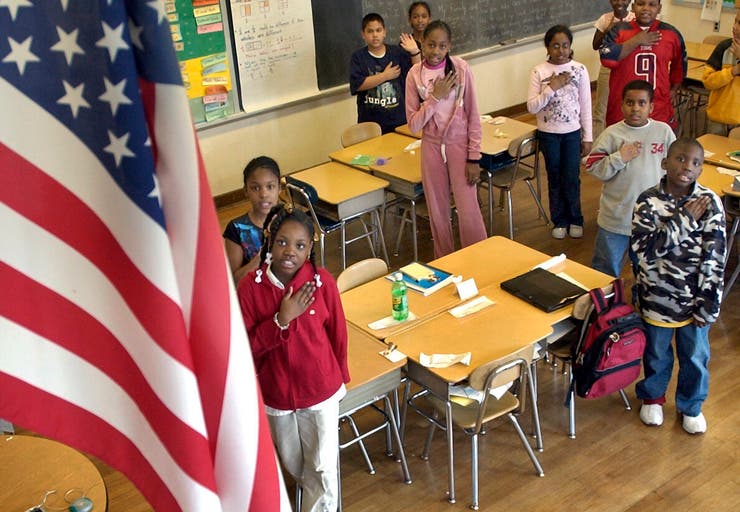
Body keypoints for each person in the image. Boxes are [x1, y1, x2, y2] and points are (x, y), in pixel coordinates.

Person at [238, 205, 349, 512]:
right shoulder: (251, 288)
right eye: (283, 242)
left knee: (324, 468)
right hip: (277, 397)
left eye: (300, 245)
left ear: (310, 248)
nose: (290, 252)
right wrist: (280, 321)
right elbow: (245, 348)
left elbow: (338, 334)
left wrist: (340, 378)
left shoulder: (322, 283)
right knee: (296, 465)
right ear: (271, 243)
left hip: (321, 390)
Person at [631, 138, 726, 434]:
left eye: (696, 163)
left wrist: (708, 303)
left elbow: (715, 257)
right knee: (657, 352)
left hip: (696, 300)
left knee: (696, 357)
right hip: (656, 298)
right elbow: (644, 250)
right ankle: (653, 397)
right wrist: (684, 220)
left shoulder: (710, 203)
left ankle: (691, 405)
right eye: (681, 159)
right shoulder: (647, 201)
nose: (687, 167)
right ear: (665, 162)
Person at [405, 20, 487, 258]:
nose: (435, 51)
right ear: (422, 43)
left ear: (449, 46)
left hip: (459, 145)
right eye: (431, 45)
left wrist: (474, 157)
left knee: (467, 206)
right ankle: (446, 260)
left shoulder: (461, 69)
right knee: (437, 209)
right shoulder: (414, 75)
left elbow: (473, 114)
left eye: (441, 46)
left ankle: (480, 256)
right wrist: (434, 98)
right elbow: (413, 125)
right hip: (431, 146)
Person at [585, 80, 675, 277]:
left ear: (651, 107)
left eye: (641, 103)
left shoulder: (663, 132)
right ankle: (604, 305)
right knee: (604, 270)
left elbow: (675, 167)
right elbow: (592, 167)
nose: (635, 108)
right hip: (616, 218)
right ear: (621, 105)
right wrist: (620, 157)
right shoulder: (612, 134)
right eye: (630, 102)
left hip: (651, 220)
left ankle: (640, 303)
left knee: (647, 271)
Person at [527, 24, 593, 240]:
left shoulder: (580, 70)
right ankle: (560, 220)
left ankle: (576, 219)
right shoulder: (539, 71)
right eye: (555, 46)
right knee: (554, 177)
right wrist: (551, 87)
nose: (561, 50)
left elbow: (585, 105)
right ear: (548, 47)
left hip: (572, 133)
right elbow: (532, 107)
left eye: (565, 45)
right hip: (548, 133)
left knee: (571, 177)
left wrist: (588, 137)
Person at [599, 0, 686, 129]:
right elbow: (607, 58)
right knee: (620, 146)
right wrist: (637, 40)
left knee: (656, 144)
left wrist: (673, 89)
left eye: (652, 5)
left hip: (658, 107)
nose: (646, 8)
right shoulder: (618, 30)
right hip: (622, 108)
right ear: (633, 7)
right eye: (640, 4)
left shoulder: (671, 33)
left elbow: (679, 66)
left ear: (659, 8)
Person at [350, 12, 412, 134]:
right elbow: (358, 84)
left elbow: (415, 74)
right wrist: (384, 76)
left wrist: (415, 52)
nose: (375, 35)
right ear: (363, 34)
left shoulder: (397, 53)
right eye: (370, 31)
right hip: (370, 123)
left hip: (398, 120)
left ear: (384, 32)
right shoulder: (358, 57)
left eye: (378, 30)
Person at [223, 156, 281, 283]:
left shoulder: (291, 222)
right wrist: (260, 258)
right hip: (253, 297)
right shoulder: (236, 229)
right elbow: (234, 282)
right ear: (246, 191)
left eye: (270, 186)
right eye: (255, 188)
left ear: (279, 188)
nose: (263, 194)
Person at [592, 0, 635, 138]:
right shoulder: (605, 19)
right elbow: (595, 44)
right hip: (608, 68)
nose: (619, 2)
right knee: (601, 107)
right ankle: (598, 144)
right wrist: (609, 29)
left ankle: (624, 139)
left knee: (626, 105)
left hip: (629, 67)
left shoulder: (635, 18)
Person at [702, 8, 740, 135]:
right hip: (718, 119)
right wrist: (732, 71)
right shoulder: (724, 47)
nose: (735, 27)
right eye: (735, 21)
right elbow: (708, 81)